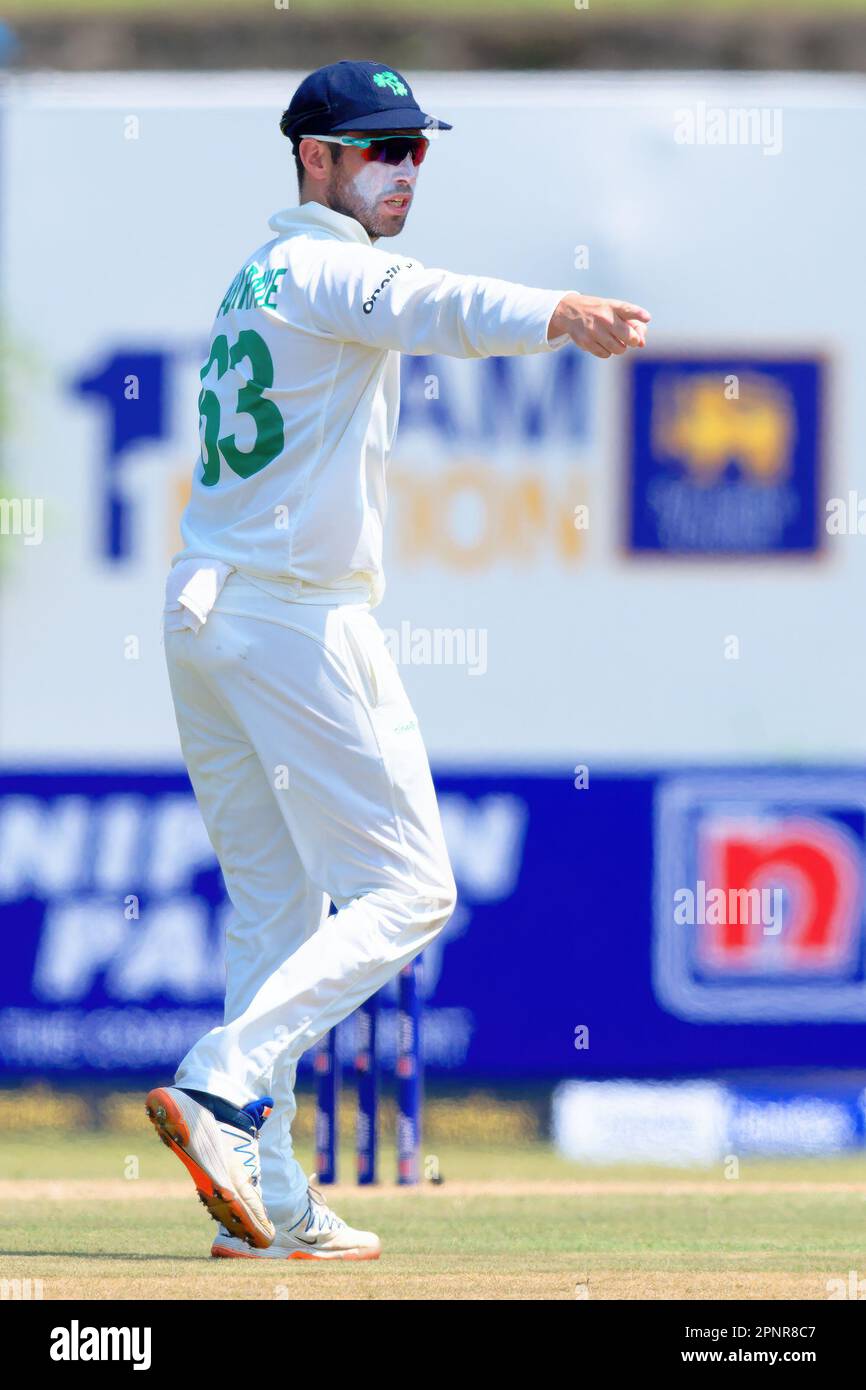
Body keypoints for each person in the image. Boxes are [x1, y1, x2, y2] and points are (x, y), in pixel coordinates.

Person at [146, 59, 650, 1262]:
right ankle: (221, 1086)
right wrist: (560, 313)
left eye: (417, 148)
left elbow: (407, 300)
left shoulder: (258, 272)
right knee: (412, 890)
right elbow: (434, 308)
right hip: (292, 618)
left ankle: (267, 1199)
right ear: (313, 160)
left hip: (205, 608)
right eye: (379, 148)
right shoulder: (325, 262)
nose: (404, 169)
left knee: (275, 914)